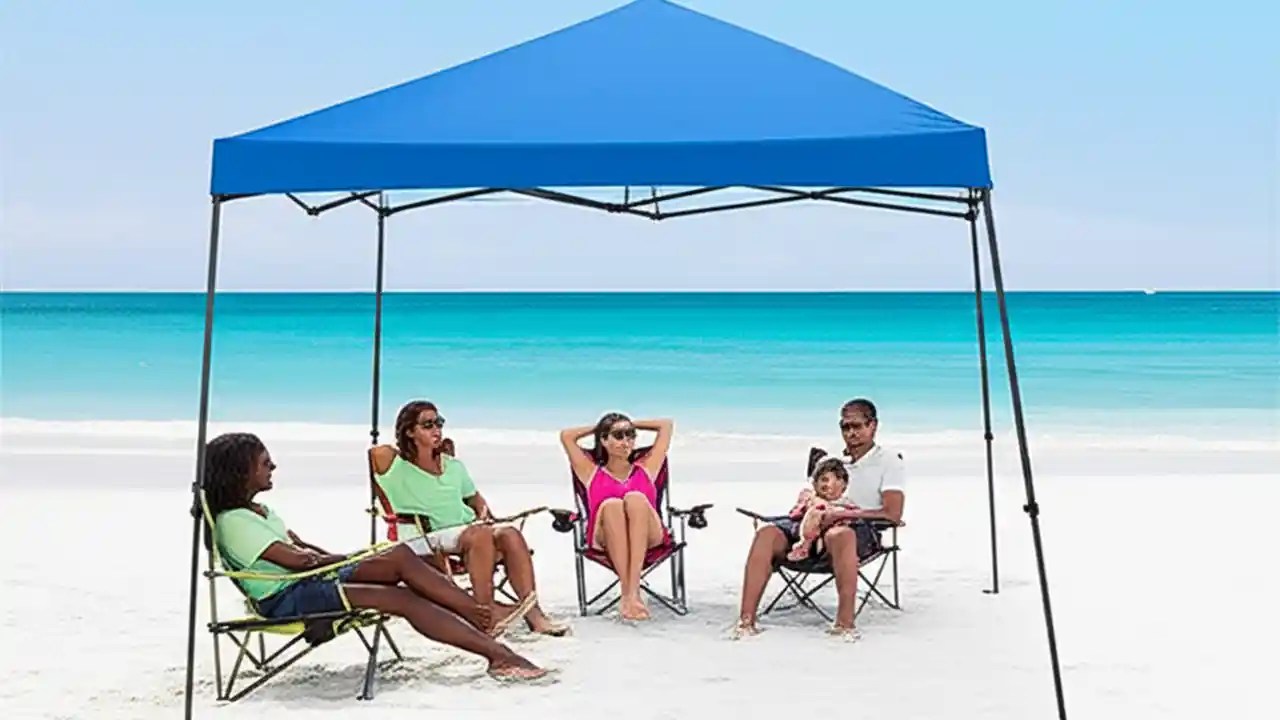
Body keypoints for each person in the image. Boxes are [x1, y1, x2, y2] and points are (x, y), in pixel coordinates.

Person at [203, 432, 547, 681]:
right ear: (240, 471)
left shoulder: (261, 511)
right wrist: (352, 561)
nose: (273, 466)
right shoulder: (234, 521)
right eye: (265, 463)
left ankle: (482, 623)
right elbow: (296, 561)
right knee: (401, 590)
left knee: (401, 561)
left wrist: (350, 561)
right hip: (285, 597)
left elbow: (304, 549)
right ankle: (488, 633)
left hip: (307, 583)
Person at [369, 400, 568, 637]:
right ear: (410, 431)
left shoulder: (453, 466)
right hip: (421, 538)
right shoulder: (395, 467)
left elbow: (474, 499)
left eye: (439, 423)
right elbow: (375, 452)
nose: (437, 429)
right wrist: (409, 448)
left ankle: (535, 616)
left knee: (509, 533)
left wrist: (485, 515)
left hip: (464, 533)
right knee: (479, 535)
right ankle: (484, 613)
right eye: (427, 424)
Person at [735, 398, 905, 640]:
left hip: (859, 528)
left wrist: (842, 514)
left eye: (857, 426)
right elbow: (811, 497)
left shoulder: (889, 461)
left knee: (841, 534)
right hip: (813, 526)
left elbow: (892, 514)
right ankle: (746, 621)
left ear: (873, 426)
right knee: (767, 533)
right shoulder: (831, 462)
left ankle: (845, 624)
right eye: (845, 427)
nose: (851, 432)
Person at [558, 413, 674, 621]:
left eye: (630, 435)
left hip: (649, 535)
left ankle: (631, 593)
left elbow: (666, 426)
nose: (626, 442)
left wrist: (628, 423)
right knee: (613, 506)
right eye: (618, 436)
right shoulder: (590, 472)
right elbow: (567, 436)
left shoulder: (647, 467)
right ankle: (629, 593)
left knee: (635, 499)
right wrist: (602, 426)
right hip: (604, 535)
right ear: (603, 440)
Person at [784, 457, 859, 562]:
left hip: (834, 541)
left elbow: (853, 517)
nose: (829, 485)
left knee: (838, 516)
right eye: (824, 480)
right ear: (815, 484)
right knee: (816, 511)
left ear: (844, 486)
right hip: (808, 538)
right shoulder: (809, 497)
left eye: (837, 480)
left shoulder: (846, 503)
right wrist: (816, 502)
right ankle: (804, 546)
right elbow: (794, 514)